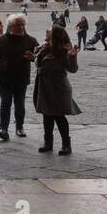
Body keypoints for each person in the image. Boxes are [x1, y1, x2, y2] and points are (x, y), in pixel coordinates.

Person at [0, 12, 39, 141]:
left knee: (20, 104)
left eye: (22, 24)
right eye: (17, 25)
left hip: (22, 77)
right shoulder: (1, 40)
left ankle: (19, 127)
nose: (21, 27)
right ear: (11, 26)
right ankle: (3, 129)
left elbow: (41, 57)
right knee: (5, 103)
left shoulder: (31, 40)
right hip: (4, 76)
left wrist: (34, 58)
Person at [34, 25, 80, 155]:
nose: (47, 31)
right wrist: (34, 56)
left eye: (50, 30)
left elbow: (73, 69)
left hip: (58, 88)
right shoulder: (44, 48)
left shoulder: (63, 50)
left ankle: (66, 145)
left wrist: (72, 57)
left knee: (59, 116)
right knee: (47, 116)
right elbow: (41, 64)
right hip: (44, 86)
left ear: (55, 35)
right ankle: (48, 143)